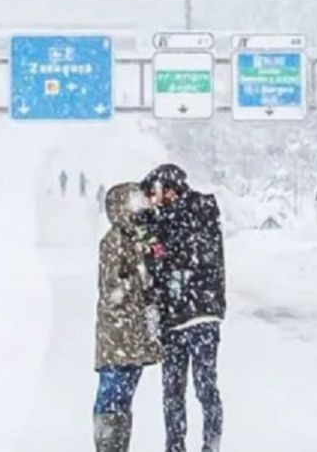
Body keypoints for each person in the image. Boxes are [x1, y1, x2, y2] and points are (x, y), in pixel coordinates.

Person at [140, 164, 225, 452]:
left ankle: (207, 446)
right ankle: (178, 446)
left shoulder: (197, 211)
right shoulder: (170, 219)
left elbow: (182, 252)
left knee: (199, 388)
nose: (153, 201)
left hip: (198, 315)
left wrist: (154, 229)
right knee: (176, 391)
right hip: (177, 318)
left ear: (170, 190)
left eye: (155, 193)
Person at [93, 183, 164, 452]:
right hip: (117, 334)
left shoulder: (138, 239)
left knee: (123, 397)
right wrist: (140, 277)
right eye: (134, 203)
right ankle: (108, 445)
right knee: (112, 395)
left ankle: (119, 444)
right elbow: (112, 287)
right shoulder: (114, 241)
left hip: (133, 334)